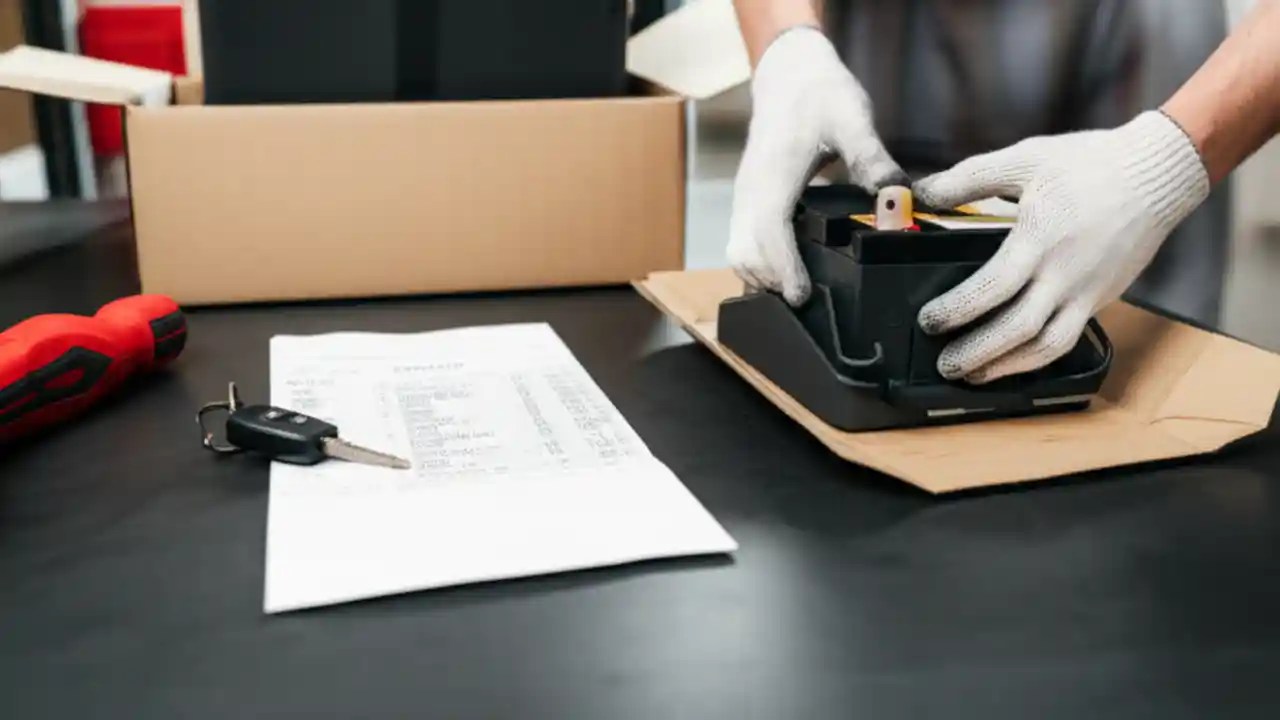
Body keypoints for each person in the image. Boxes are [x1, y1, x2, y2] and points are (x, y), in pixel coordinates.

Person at [729, 0, 1278, 385]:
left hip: (1135, 30)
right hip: (887, 17)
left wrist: (1166, 157)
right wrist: (788, 46)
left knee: (1133, 345)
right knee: (872, 227)